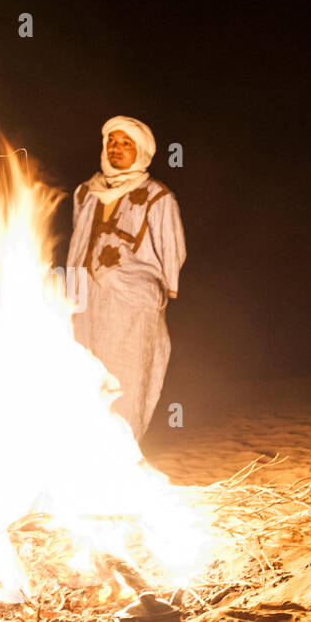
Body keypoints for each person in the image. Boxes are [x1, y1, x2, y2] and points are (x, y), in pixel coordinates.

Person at [67, 115, 186, 441]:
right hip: (85, 299)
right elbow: (79, 243)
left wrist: (156, 292)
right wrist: (72, 297)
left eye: (125, 143)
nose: (116, 148)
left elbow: (171, 250)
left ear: (142, 151)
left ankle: (121, 451)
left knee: (127, 375)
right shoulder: (84, 193)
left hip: (132, 303)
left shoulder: (158, 197)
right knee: (84, 374)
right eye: (111, 142)